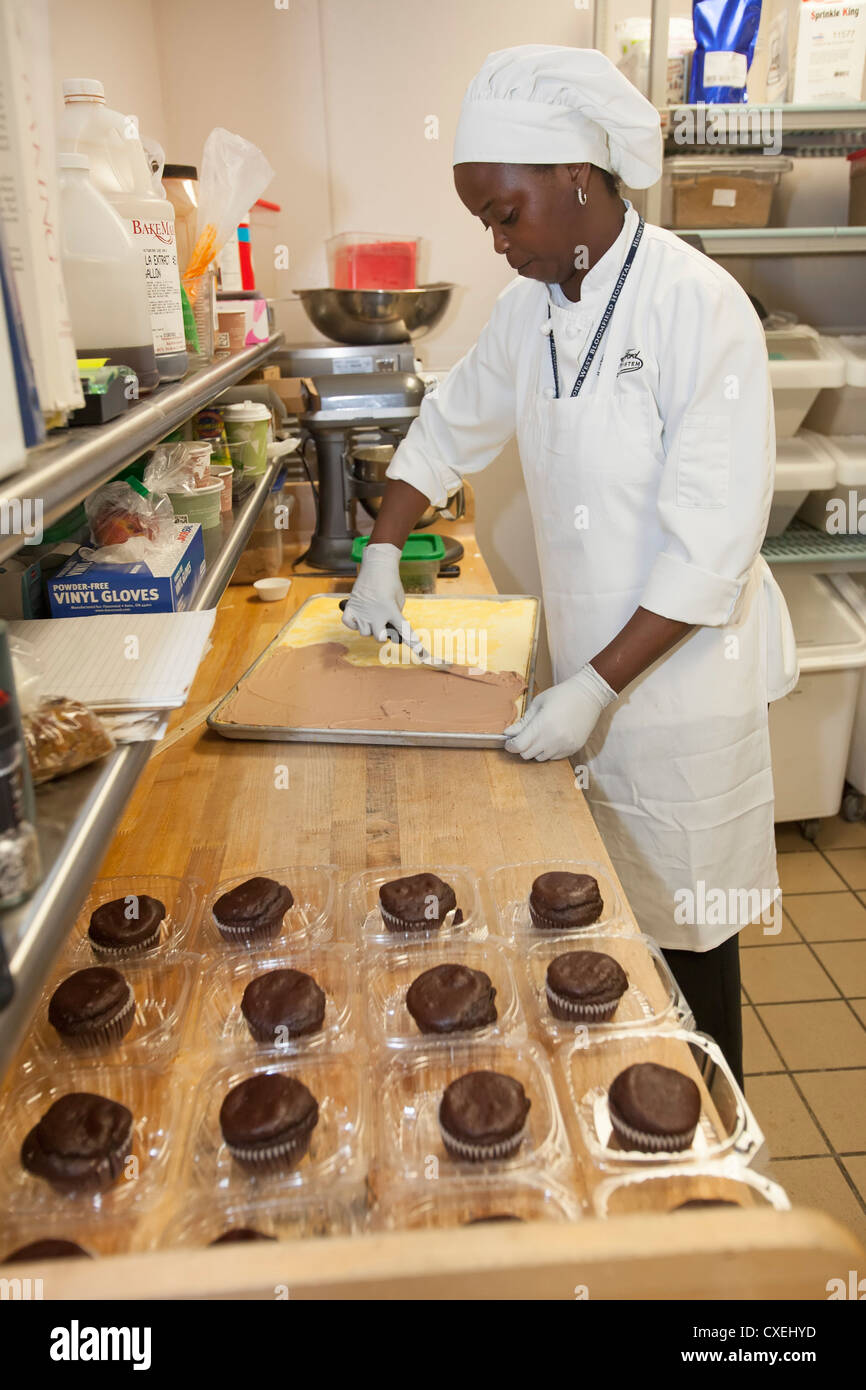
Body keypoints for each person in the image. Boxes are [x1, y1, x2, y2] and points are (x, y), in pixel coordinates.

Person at [341, 45, 797, 1087]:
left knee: (687, 945)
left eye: (504, 213)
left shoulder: (698, 308)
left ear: (575, 177)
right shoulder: (530, 312)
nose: (496, 242)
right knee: (596, 938)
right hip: (582, 681)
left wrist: (596, 684)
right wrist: (378, 548)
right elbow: (448, 424)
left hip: (680, 686)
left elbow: (709, 546)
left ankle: (707, 1167)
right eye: (484, 223)